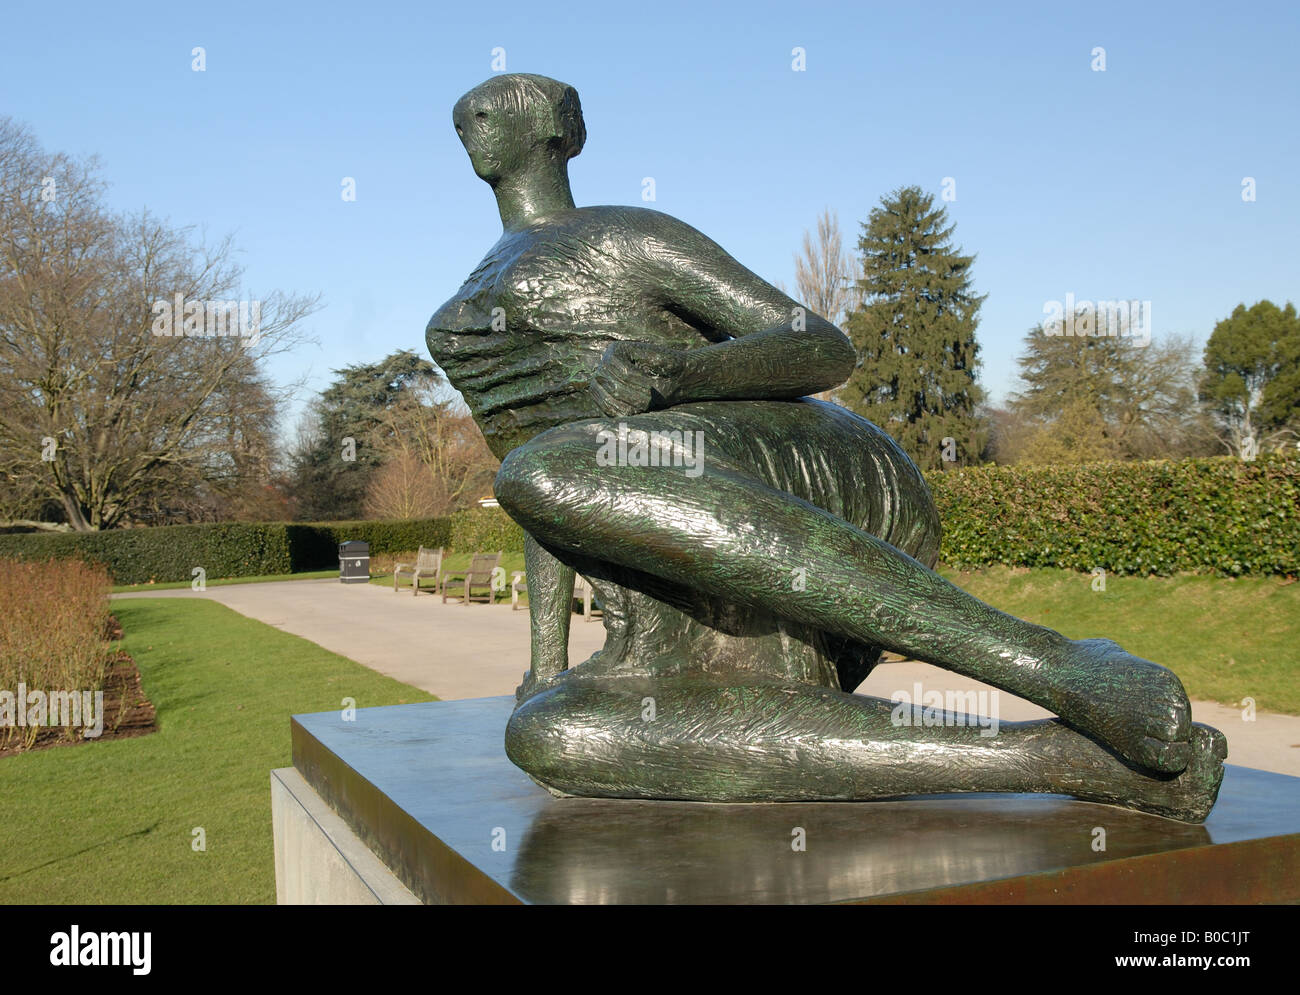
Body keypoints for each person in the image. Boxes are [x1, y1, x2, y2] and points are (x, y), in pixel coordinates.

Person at [426, 74, 1225, 822]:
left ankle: (1061, 664)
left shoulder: (624, 234)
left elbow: (821, 345)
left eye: (498, 104)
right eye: (468, 112)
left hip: (809, 471)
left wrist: (681, 374)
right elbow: (543, 487)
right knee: (548, 734)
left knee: (548, 466)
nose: (475, 119)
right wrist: (545, 667)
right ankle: (1054, 759)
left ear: (560, 130)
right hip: (665, 538)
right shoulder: (468, 297)